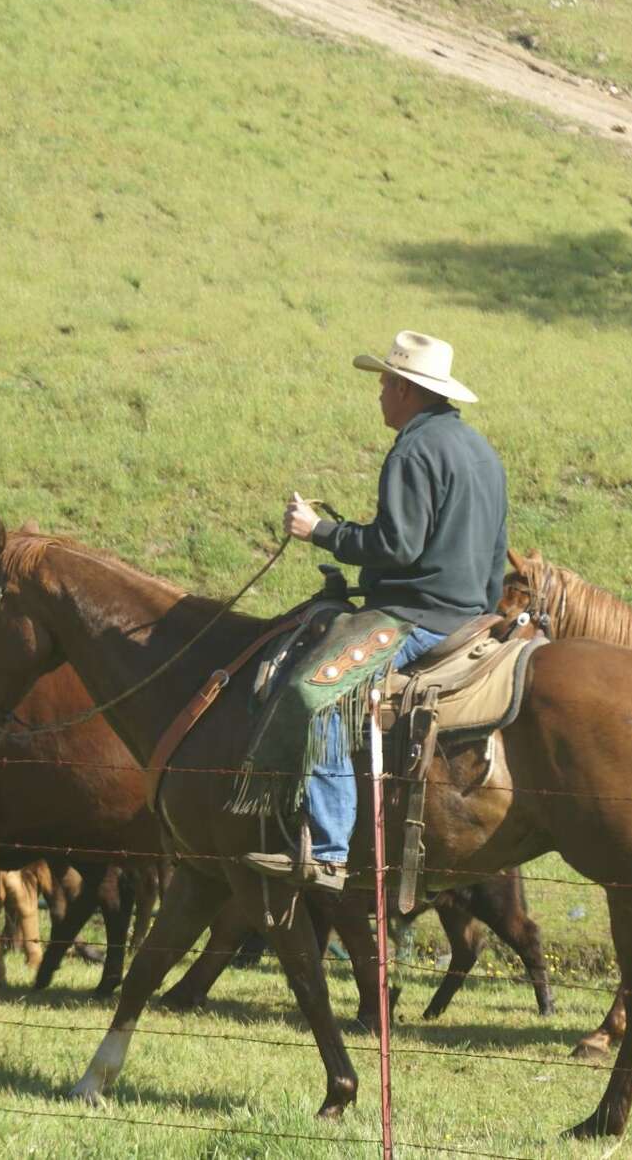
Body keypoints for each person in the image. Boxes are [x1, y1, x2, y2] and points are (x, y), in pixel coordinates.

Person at [242, 331, 508, 891]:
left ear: (410, 390)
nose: (380, 393)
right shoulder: (480, 449)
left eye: (386, 382)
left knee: (316, 692)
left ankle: (329, 850)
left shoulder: (413, 450)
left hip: (414, 617)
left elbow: (398, 547)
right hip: (469, 618)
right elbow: (494, 550)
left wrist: (321, 532)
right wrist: (483, 614)